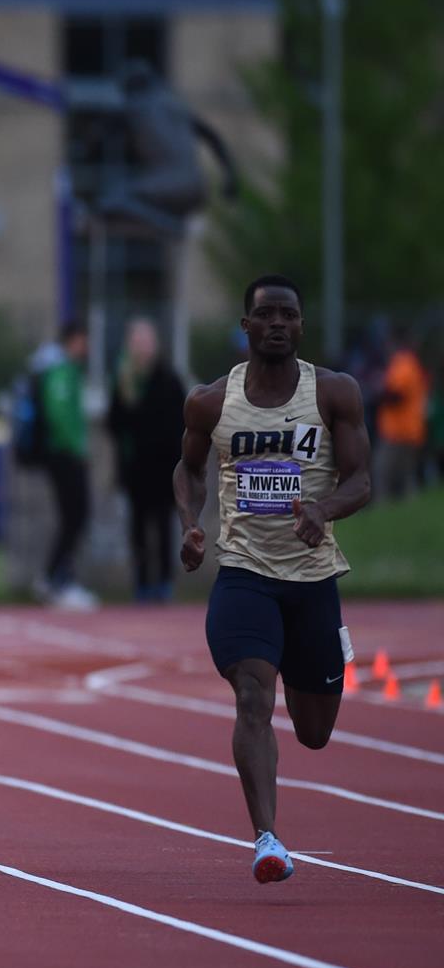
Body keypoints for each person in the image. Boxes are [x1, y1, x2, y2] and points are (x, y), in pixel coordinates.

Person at [174, 276, 372, 884]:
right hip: (244, 573)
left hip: (312, 578)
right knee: (253, 697)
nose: (278, 324)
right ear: (247, 326)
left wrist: (323, 509)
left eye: (289, 314)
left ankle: (318, 660)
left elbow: (361, 480)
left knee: (313, 732)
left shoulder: (333, 392)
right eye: (267, 315)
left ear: (302, 326)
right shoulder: (211, 401)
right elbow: (188, 470)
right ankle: (267, 839)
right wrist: (190, 524)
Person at [107, 316, 185, 603]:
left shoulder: (169, 379)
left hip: (163, 469)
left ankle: (164, 583)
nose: (141, 347)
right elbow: (114, 423)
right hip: (136, 470)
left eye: (146, 340)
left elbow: (179, 424)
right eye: (136, 341)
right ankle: (142, 583)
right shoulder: (124, 380)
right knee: (137, 528)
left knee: (163, 526)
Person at [33, 319, 96, 609]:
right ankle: (55, 579)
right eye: (84, 340)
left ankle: (59, 577)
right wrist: (75, 448)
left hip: (66, 453)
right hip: (64, 455)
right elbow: (58, 413)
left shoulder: (67, 369)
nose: (87, 347)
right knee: (75, 515)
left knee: (74, 516)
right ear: (74, 340)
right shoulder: (60, 370)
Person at [374, 329, 430, 501]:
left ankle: (383, 509)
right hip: (411, 429)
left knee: (382, 472)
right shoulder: (412, 363)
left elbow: (397, 395)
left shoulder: (403, 363)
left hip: (398, 431)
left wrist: (378, 390)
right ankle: (411, 508)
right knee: (405, 475)